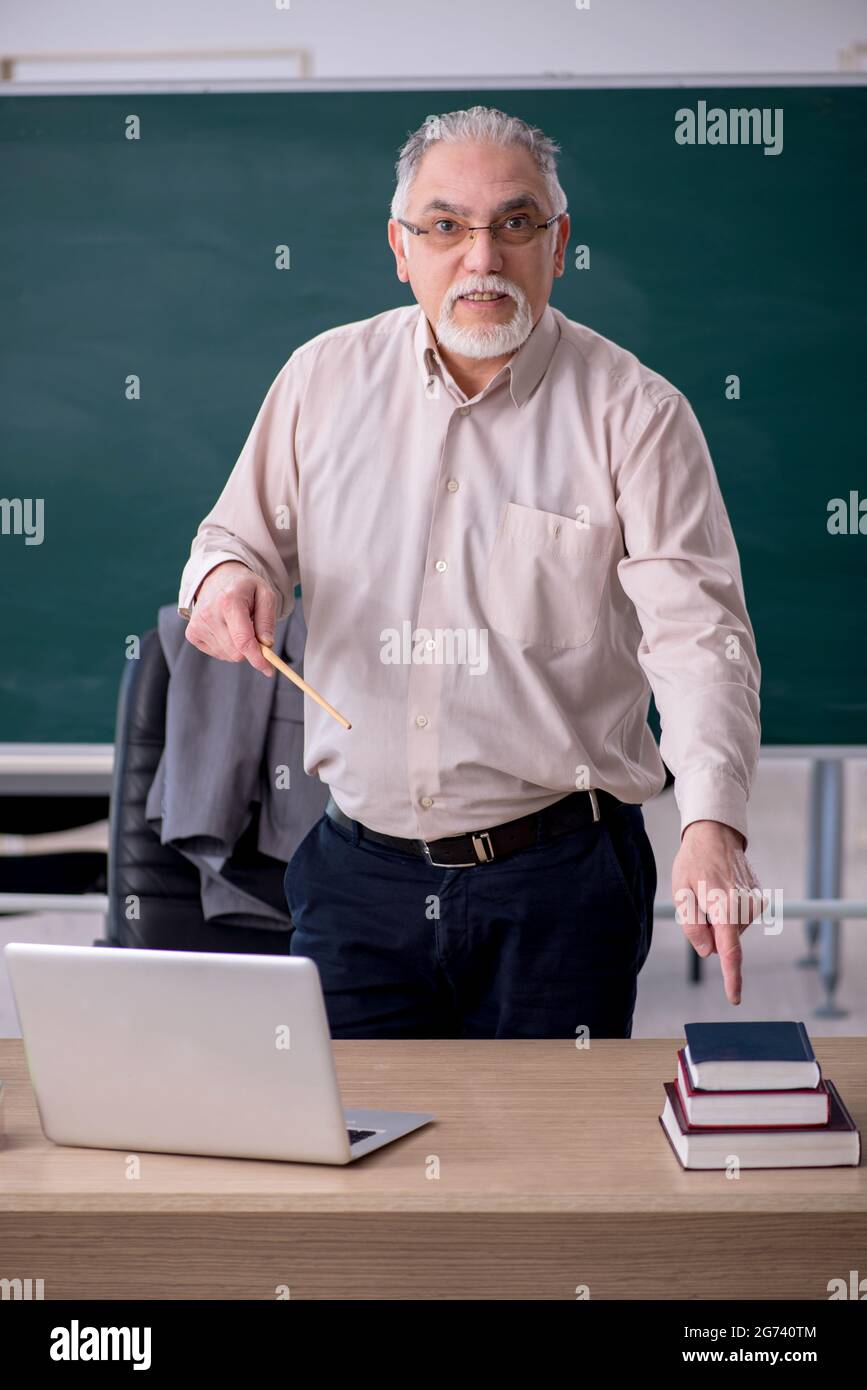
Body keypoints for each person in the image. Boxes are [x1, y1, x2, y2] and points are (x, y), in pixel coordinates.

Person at [179, 105, 762, 1039]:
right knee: (347, 1165)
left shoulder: (637, 415)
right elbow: (231, 540)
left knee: (542, 1173)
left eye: (515, 224)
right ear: (400, 248)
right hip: (354, 877)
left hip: (560, 884)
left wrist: (711, 827)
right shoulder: (320, 380)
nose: (481, 258)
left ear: (558, 242)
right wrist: (222, 582)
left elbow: (699, 639)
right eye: (445, 227)